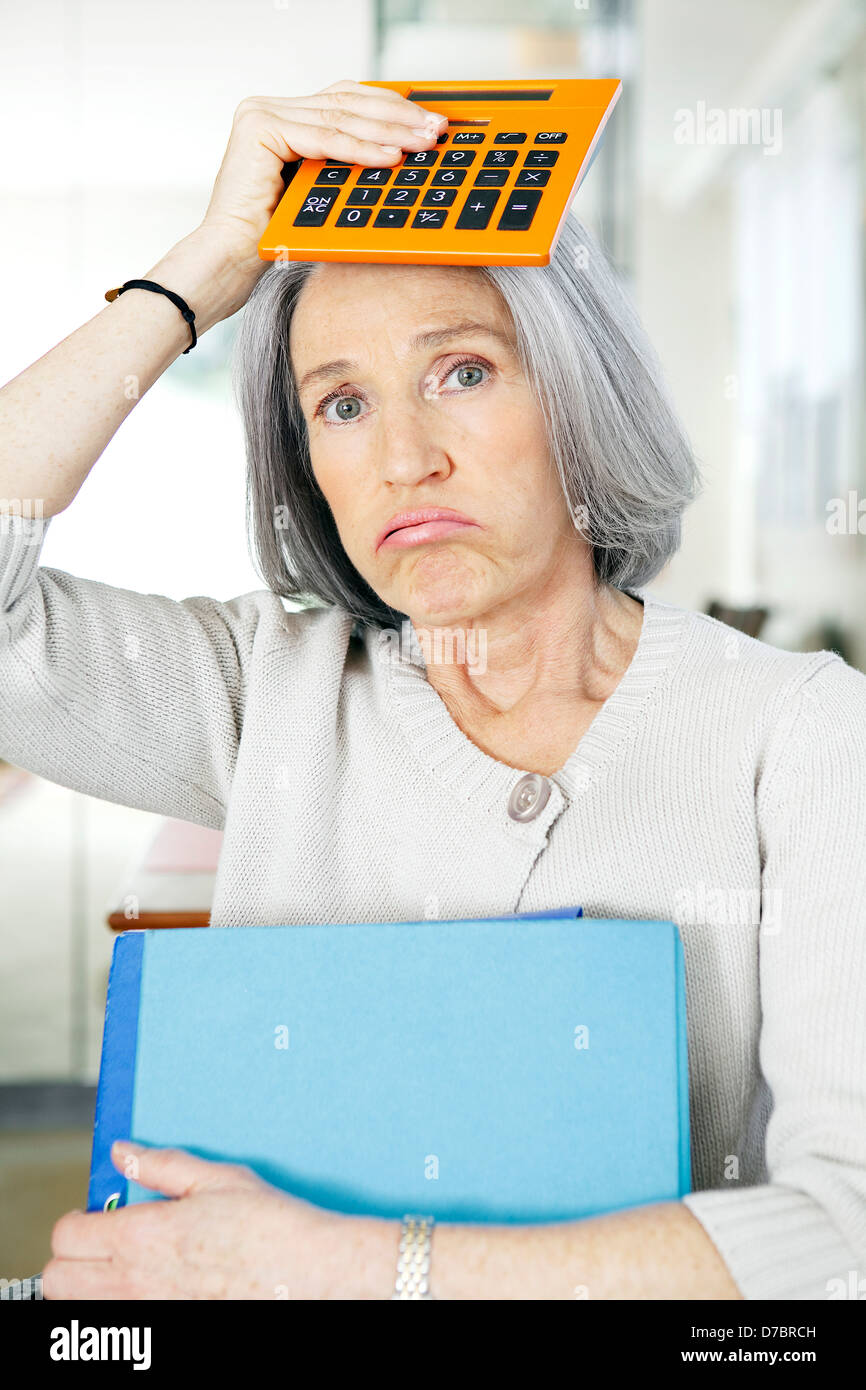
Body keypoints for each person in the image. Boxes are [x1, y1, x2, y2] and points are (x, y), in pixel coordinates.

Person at [1, 80, 864, 1301]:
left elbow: (844, 1236)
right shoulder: (260, 690)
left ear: (577, 395)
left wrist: (354, 1270)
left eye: (460, 372)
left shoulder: (805, 732)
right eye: (340, 404)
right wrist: (198, 274)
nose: (404, 458)